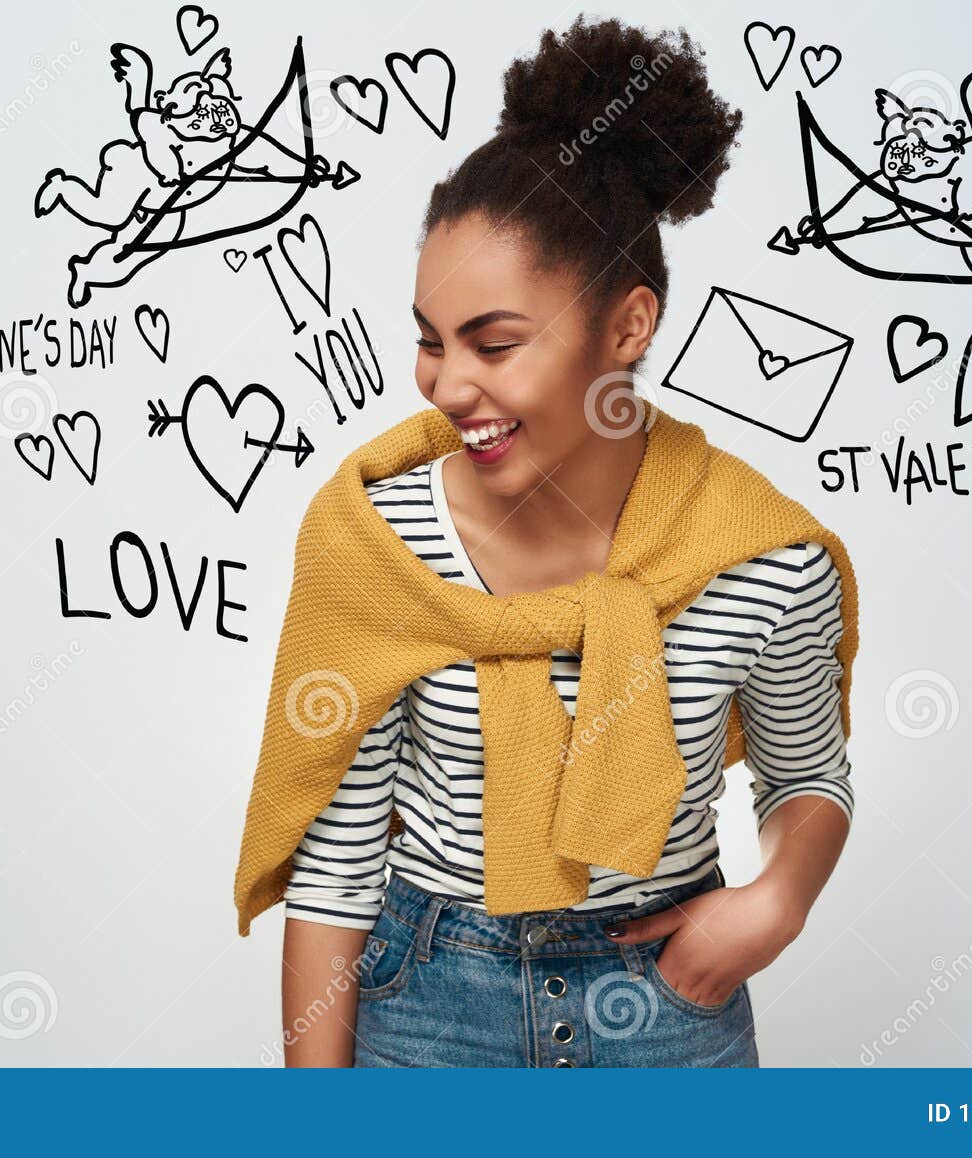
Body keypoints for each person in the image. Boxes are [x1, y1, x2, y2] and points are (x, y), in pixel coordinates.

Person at [236, 17, 859, 1068]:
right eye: (431, 342)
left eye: (495, 343)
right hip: (427, 1002)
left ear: (626, 327)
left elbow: (807, 776)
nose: (444, 384)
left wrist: (775, 902)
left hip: (669, 1008)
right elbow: (338, 867)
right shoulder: (374, 542)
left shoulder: (760, 556)